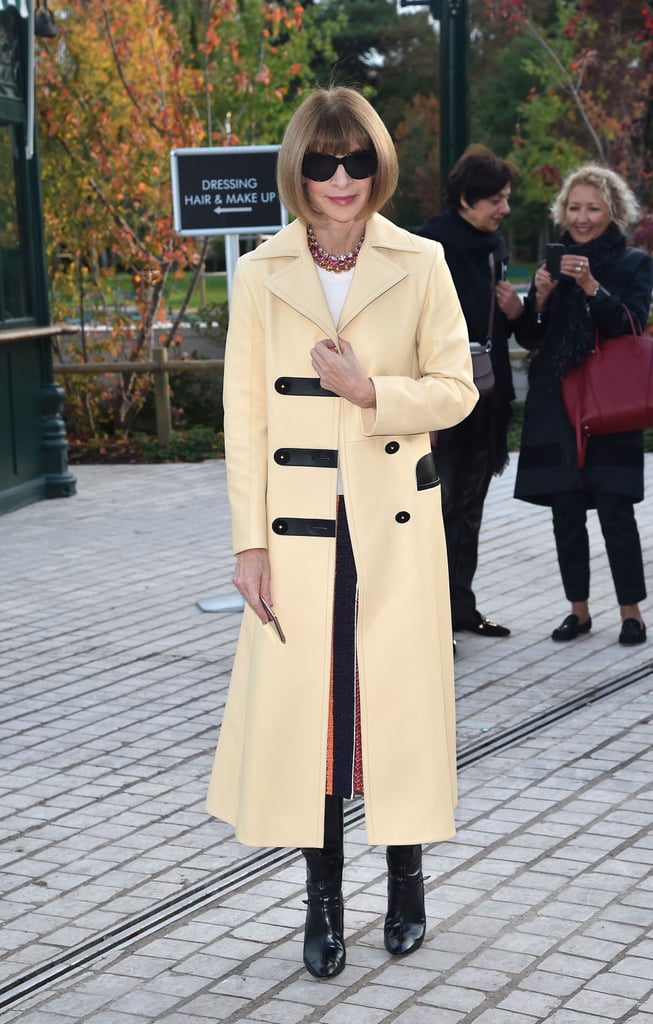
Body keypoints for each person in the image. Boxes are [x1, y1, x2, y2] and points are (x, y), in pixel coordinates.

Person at [205, 86, 478, 979]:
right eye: (321, 161)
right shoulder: (260, 271)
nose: (340, 178)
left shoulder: (422, 260)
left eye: (356, 160)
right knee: (313, 722)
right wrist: (249, 546)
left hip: (390, 526)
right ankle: (321, 903)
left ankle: (406, 882)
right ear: (298, 167)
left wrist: (372, 394)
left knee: (390, 712)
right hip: (296, 534)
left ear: (378, 165)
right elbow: (244, 418)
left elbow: (457, 388)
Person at [514, 164, 652, 644]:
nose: (582, 217)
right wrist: (539, 299)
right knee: (566, 512)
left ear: (612, 211)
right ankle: (579, 610)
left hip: (610, 404)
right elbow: (531, 337)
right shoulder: (553, 265)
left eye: (593, 208)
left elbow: (630, 325)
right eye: (574, 207)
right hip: (557, 400)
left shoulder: (632, 264)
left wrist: (592, 285)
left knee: (616, 509)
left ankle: (631, 612)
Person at [415, 145, 523, 641]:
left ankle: (461, 608)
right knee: (441, 508)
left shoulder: (493, 248)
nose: (503, 208)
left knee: (471, 508)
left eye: (505, 199)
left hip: (485, 396)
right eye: (495, 199)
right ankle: (432, 620)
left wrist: (514, 308)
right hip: (441, 402)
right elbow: (412, 332)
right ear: (464, 198)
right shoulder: (429, 248)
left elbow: (499, 325)